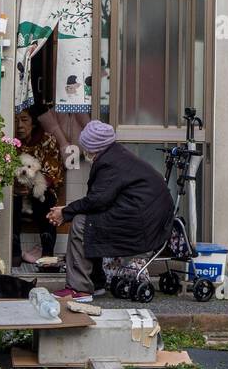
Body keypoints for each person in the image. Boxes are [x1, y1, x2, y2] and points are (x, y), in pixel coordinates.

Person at [48, 120, 174, 302]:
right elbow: (100, 200)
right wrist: (67, 210)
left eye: (85, 147)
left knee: (82, 223)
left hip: (142, 223)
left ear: (93, 148)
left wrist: (66, 212)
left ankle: (79, 289)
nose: (84, 151)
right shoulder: (116, 155)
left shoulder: (109, 163)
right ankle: (96, 282)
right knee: (92, 221)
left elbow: (97, 200)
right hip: (146, 218)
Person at [12, 108, 63, 267]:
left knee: (45, 201)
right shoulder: (10, 142)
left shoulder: (47, 140)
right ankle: (14, 253)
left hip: (41, 189)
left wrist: (33, 186)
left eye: (24, 119)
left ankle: (47, 256)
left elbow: (55, 174)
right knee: (13, 202)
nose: (19, 125)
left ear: (33, 123)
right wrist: (16, 188)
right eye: (15, 120)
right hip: (17, 190)